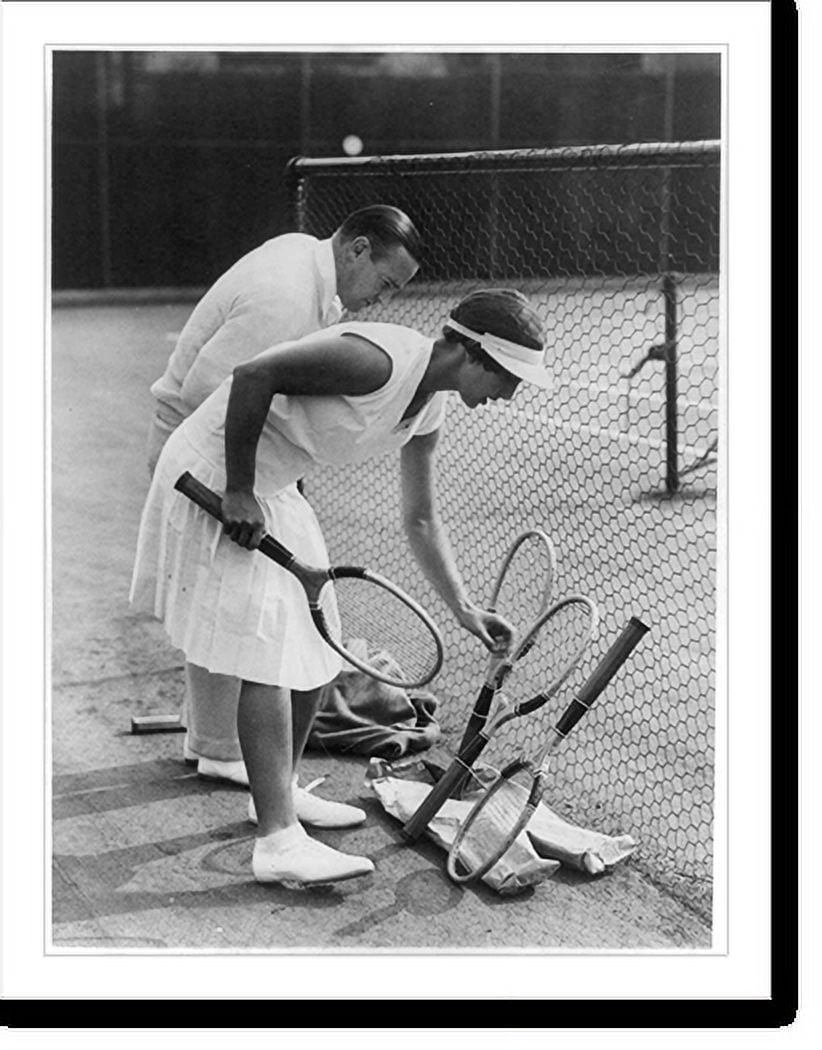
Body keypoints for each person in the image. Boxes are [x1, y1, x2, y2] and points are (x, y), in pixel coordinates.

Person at [130, 288, 552, 886]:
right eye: (508, 377)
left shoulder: (429, 409)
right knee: (268, 651)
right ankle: (277, 842)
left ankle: (276, 793)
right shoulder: (377, 360)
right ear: (472, 353)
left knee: (319, 636)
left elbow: (421, 518)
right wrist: (240, 489)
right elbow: (253, 375)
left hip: (273, 487)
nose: (508, 394)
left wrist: (464, 608)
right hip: (218, 475)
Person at [144, 205, 421, 824]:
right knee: (251, 613)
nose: (382, 300)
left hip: (222, 450)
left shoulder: (309, 262)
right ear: (356, 249)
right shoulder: (288, 295)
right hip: (202, 451)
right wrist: (247, 488)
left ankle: (215, 748)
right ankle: (250, 783)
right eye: (385, 282)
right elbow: (207, 395)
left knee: (226, 603)